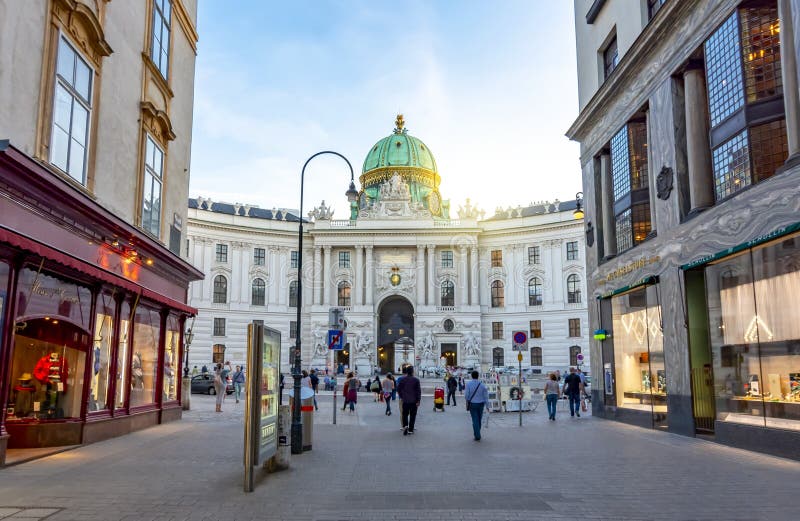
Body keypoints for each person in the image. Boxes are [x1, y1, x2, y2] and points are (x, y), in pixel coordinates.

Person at [464, 370, 488, 441]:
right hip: (481, 404)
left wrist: (468, 400)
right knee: (479, 419)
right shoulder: (482, 385)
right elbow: (486, 396)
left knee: (475, 419)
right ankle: (477, 433)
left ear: (471, 376)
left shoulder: (468, 384)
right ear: (478, 376)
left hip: (472, 404)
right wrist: (487, 406)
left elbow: (466, 396)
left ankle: (477, 435)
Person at [397, 366, 421, 435]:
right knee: (413, 415)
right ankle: (410, 430)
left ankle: (405, 426)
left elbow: (398, 389)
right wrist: (418, 400)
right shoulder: (416, 380)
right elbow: (418, 391)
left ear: (407, 372)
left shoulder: (402, 380)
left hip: (405, 400)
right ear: (413, 371)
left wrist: (402, 396)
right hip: (414, 401)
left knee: (404, 414)